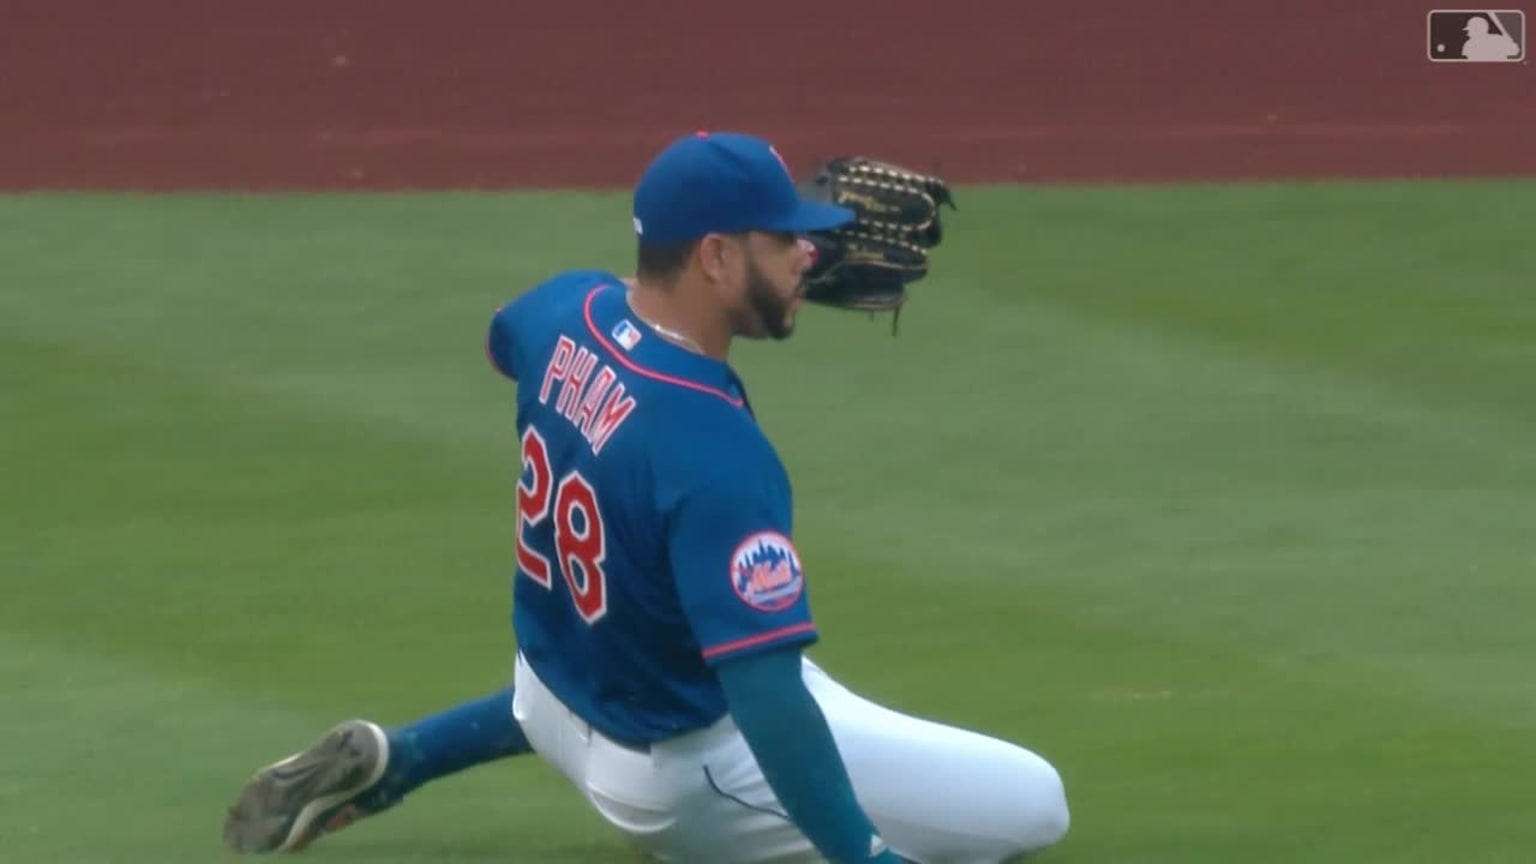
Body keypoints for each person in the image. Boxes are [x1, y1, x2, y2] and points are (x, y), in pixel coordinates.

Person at [222, 130, 1070, 863]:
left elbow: (502, 338)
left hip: (550, 689)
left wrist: (756, 290)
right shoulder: (714, 454)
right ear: (714, 256)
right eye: (785, 242)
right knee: (1033, 803)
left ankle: (401, 757)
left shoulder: (568, 307)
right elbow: (764, 696)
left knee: (692, 631)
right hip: (677, 779)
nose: (808, 255)